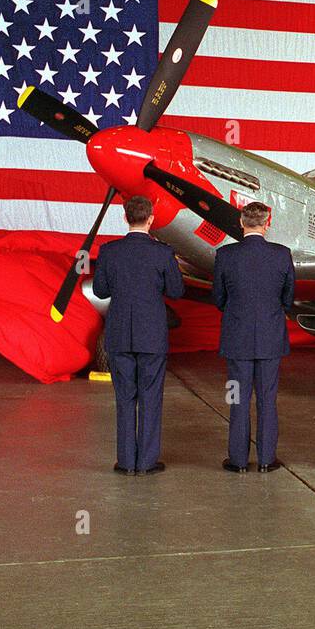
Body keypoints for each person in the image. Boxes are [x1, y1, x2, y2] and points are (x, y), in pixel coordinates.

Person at [92, 195, 185, 475]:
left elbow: (100, 291)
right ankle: (146, 462)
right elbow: (177, 291)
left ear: (125, 218)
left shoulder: (110, 251)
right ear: (151, 219)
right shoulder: (163, 253)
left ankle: (125, 462)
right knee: (150, 397)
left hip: (120, 334)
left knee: (124, 399)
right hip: (152, 336)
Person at [212, 201, 295, 473]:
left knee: (237, 399)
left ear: (241, 222)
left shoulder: (225, 255)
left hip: (237, 339)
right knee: (267, 400)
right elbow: (289, 299)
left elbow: (219, 299)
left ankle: (237, 461)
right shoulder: (282, 255)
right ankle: (266, 460)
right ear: (267, 223)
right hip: (271, 339)